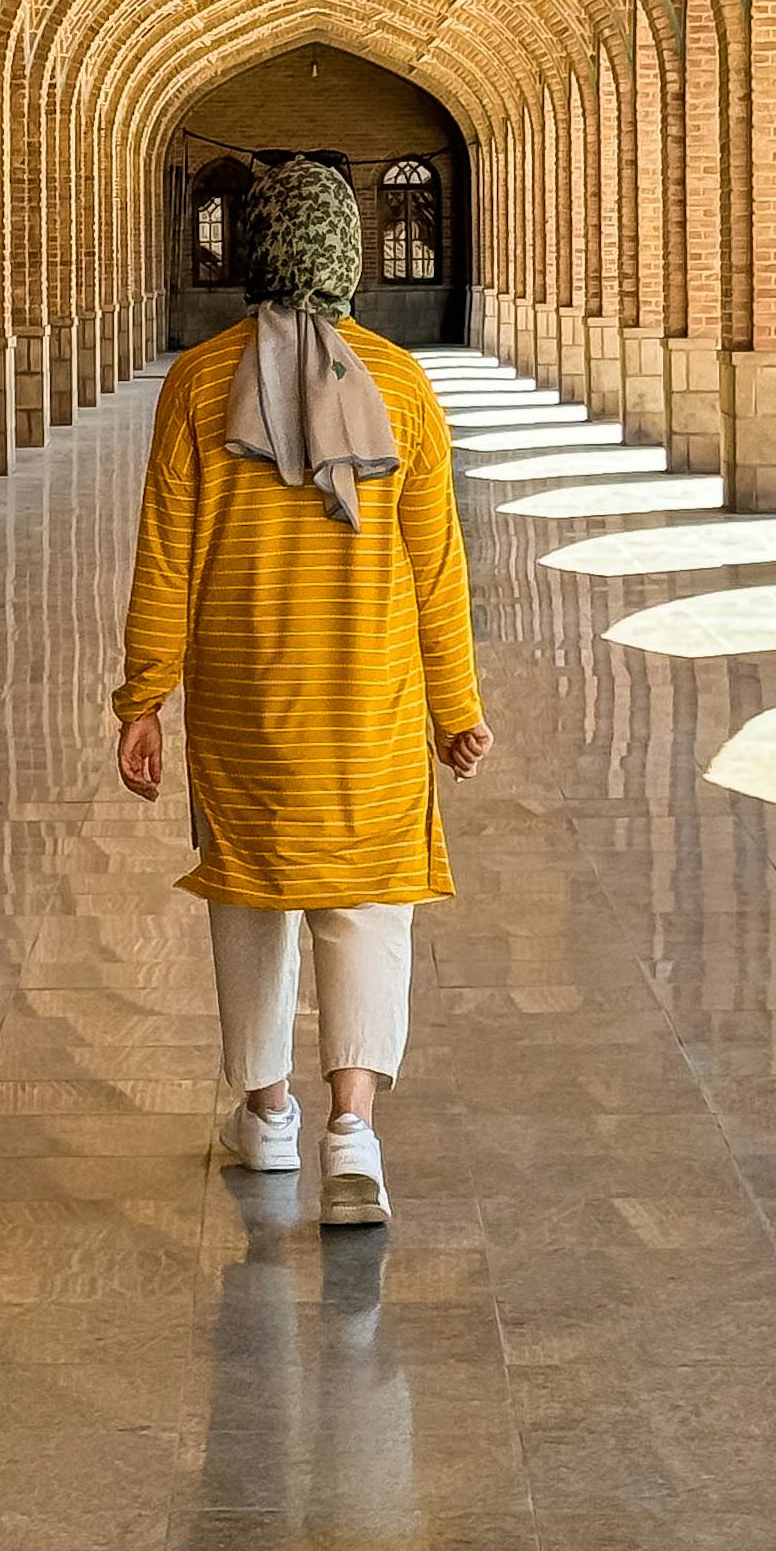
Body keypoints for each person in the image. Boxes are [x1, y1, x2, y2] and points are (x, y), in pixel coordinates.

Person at [113, 151, 491, 1228]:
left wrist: (142, 697)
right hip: (368, 695)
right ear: (349, 253)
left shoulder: (197, 383)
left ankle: (267, 1112)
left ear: (255, 249)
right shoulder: (401, 386)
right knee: (367, 904)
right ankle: (351, 1135)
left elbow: (165, 555)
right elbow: (436, 565)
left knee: (251, 896)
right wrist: (453, 707)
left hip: (245, 700)